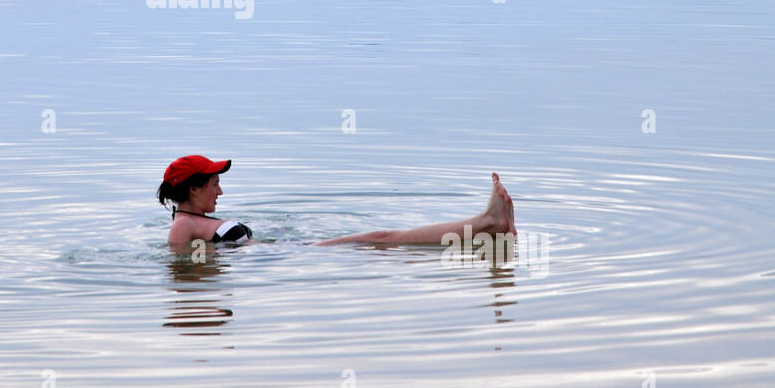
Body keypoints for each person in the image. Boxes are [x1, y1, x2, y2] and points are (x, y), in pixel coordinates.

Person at [158, 155, 516, 250]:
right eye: (215, 184)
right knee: (381, 239)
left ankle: (488, 222)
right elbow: (181, 268)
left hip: (285, 249)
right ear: (193, 189)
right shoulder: (184, 225)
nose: (220, 192)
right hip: (290, 257)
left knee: (382, 238)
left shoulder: (194, 221)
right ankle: (486, 221)